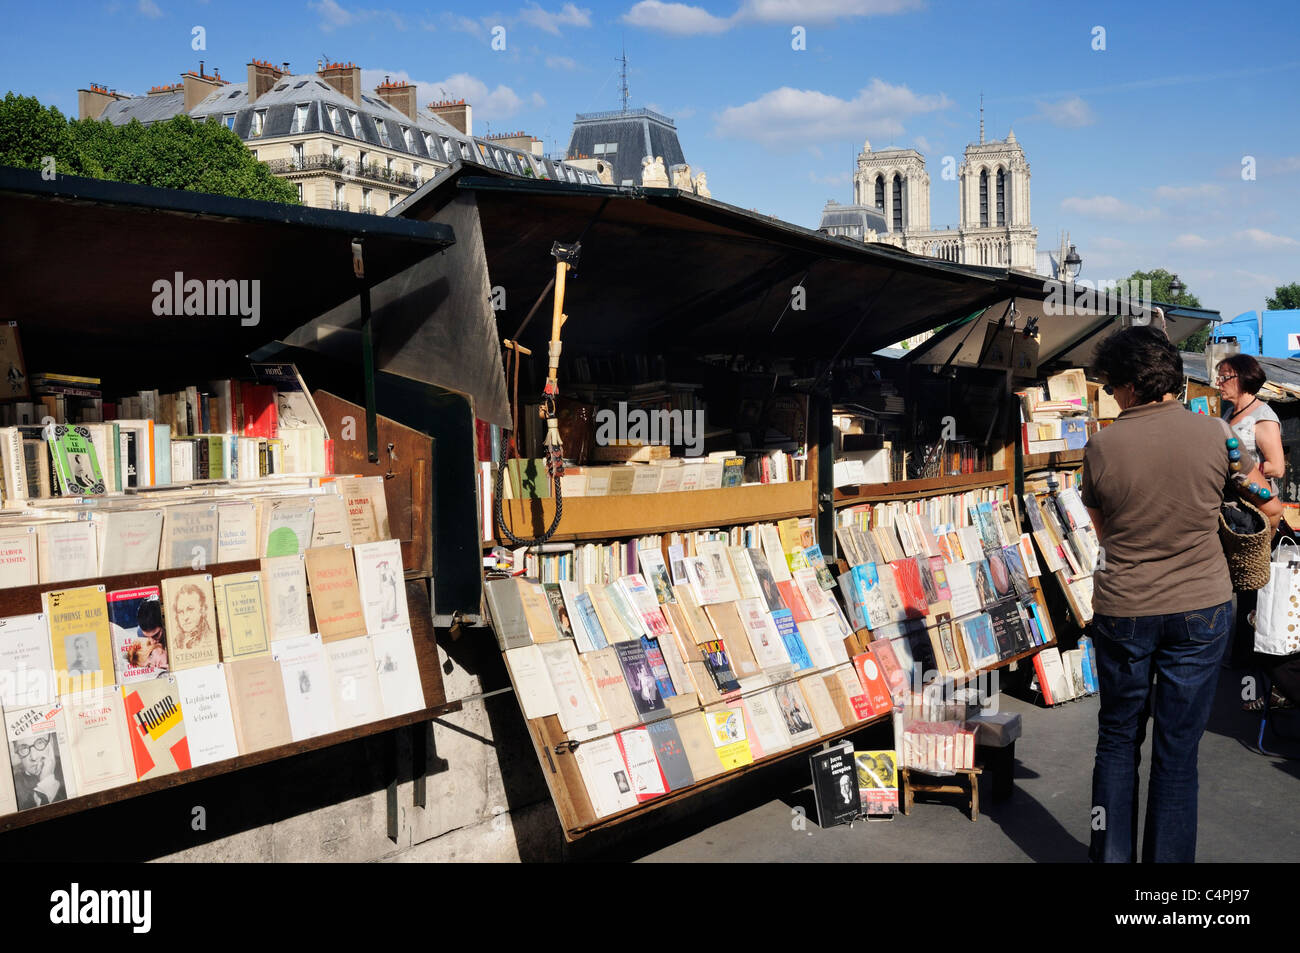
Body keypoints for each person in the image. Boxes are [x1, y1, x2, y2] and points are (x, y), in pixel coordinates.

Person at [1082, 325, 1281, 863]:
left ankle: (1111, 858)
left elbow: (1105, 531)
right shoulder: (1218, 434)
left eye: (1109, 384)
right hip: (1201, 604)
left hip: (1125, 607)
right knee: (1178, 752)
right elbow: (1262, 495)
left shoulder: (1099, 447)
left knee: (1119, 739)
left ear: (1125, 384)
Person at [1216, 353, 1286, 668]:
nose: (1219, 382)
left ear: (1243, 378)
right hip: (1234, 513)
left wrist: (1241, 473)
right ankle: (1241, 650)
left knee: (1254, 588)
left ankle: (1252, 656)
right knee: (1240, 586)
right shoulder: (1230, 413)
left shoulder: (1263, 415)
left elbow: (1277, 466)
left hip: (1257, 513)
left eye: (1225, 376)